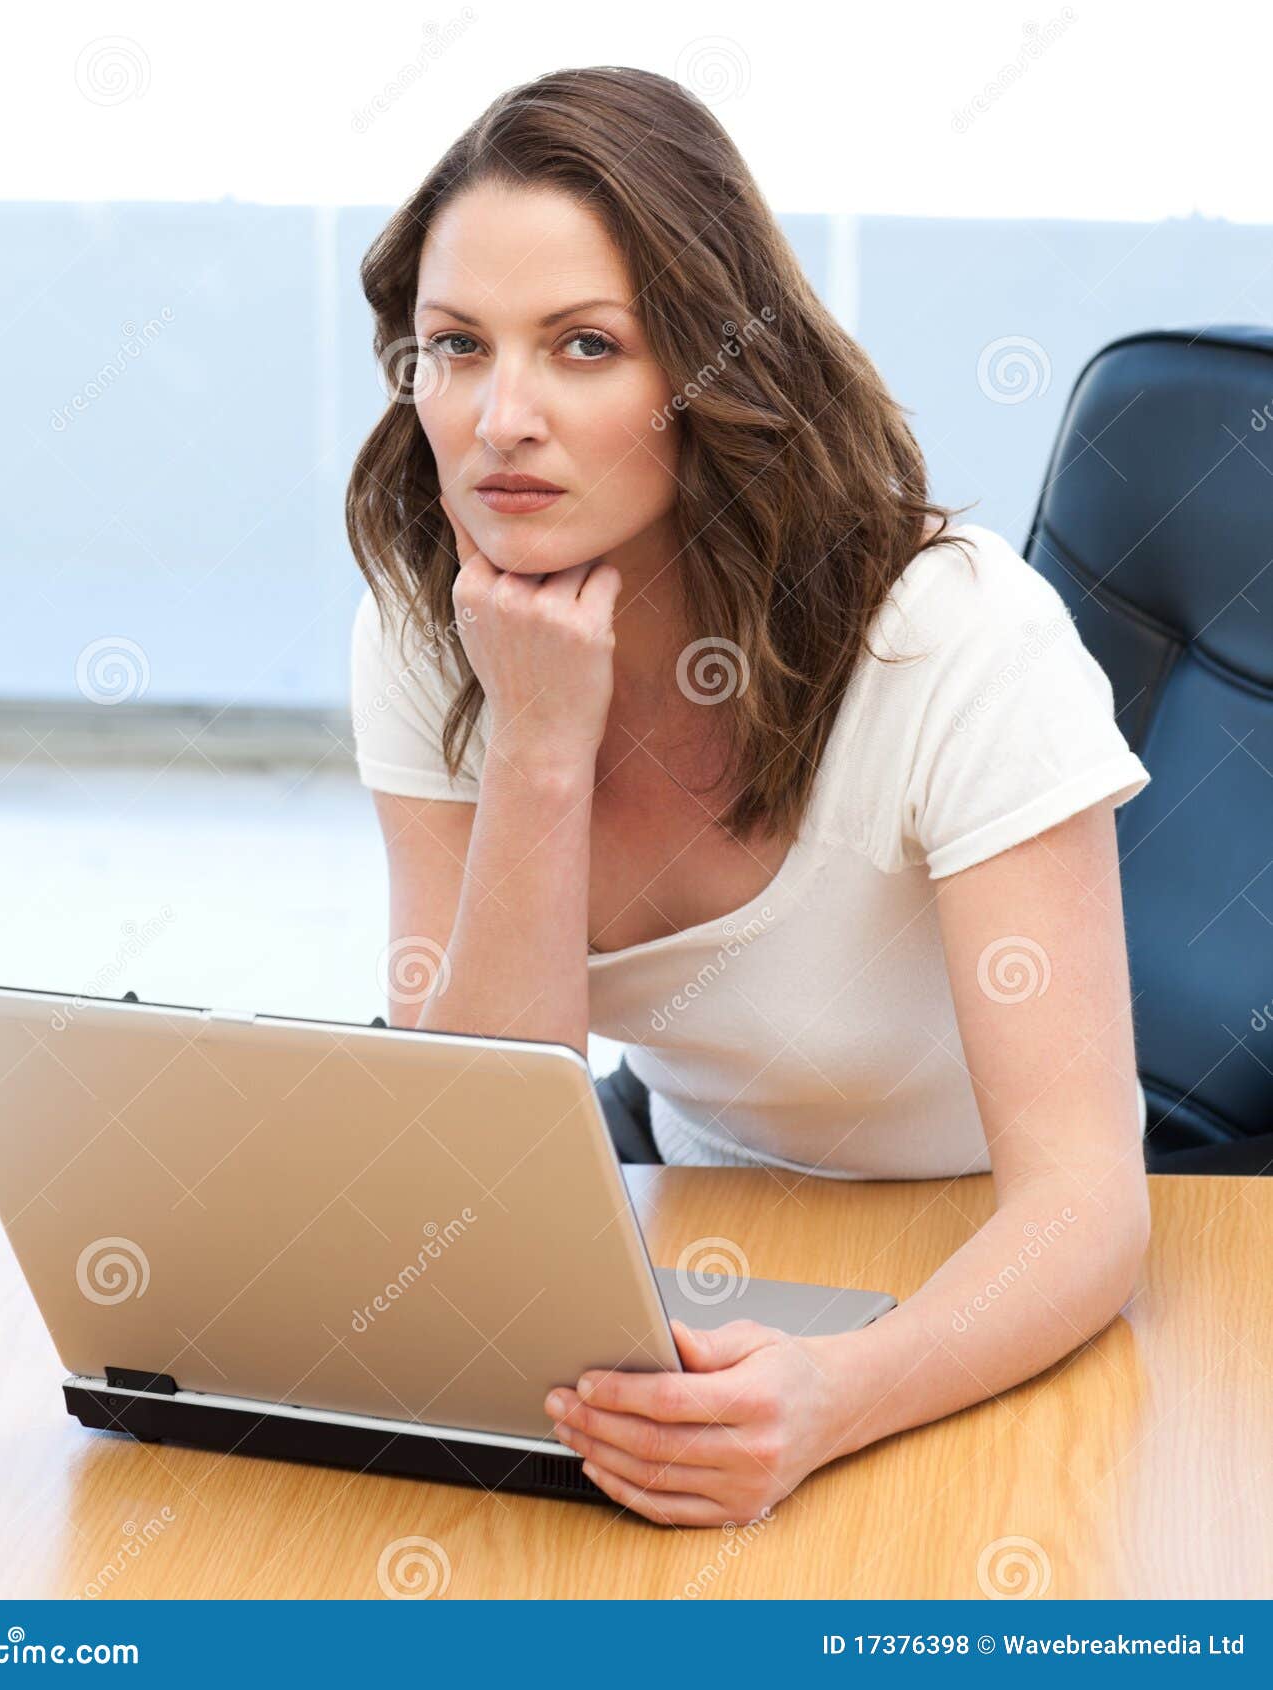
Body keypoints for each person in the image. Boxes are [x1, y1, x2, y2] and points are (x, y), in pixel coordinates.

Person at [344, 65, 1152, 1528]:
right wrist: (535, 750)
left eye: (584, 345)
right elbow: (464, 1160)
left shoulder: (953, 637)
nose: (497, 416)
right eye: (455, 347)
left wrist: (834, 1392)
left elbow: (1088, 1208)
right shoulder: (434, 627)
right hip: (698, 1222)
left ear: (711, 370)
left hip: (974, 1257)